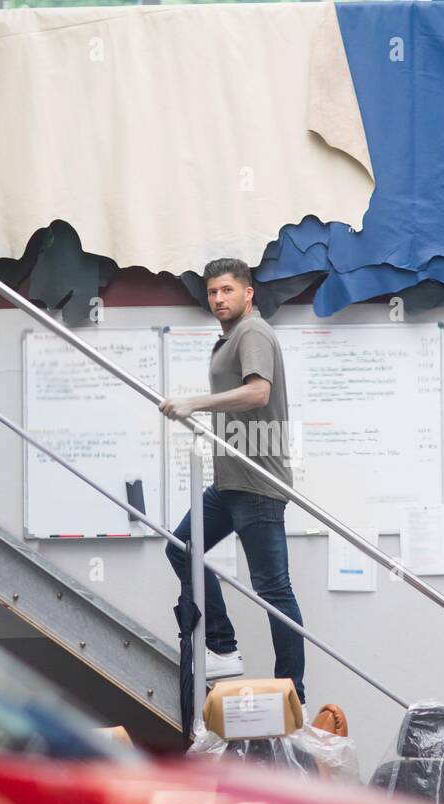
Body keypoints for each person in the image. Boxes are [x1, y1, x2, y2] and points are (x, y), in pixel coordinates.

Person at [160, 258, 305, 738]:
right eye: (212, 292)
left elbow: (258, 393)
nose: (218, 299)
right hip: (228, 482)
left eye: (226, 290)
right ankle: (222, 644)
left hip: (257, 483)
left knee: (273, 590)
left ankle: (294, 692)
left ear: (248, 294)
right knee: (180, 545)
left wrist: (193, 404)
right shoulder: (228, 338)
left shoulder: (253, 333)